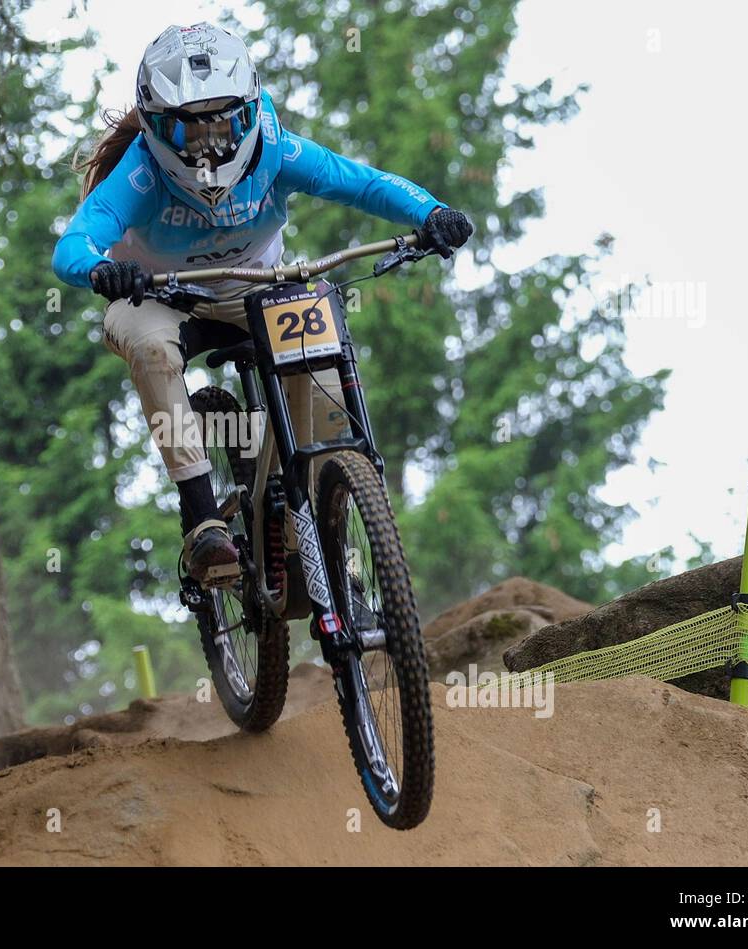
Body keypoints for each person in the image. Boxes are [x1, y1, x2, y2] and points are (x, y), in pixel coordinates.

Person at [52, 21, 473, 585]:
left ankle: (329, 508)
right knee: (152, 347)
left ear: (249, 110)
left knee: (319, 342)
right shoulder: (143, 173)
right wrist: (102, 269)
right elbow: (72, 245)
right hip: (161, 296)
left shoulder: (276, 150)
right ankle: (203, 518)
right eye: (189, 131)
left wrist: (431, 213)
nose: (210, 144)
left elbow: (362, 183)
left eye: (223, 121)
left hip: (255, 285)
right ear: (156, 127)